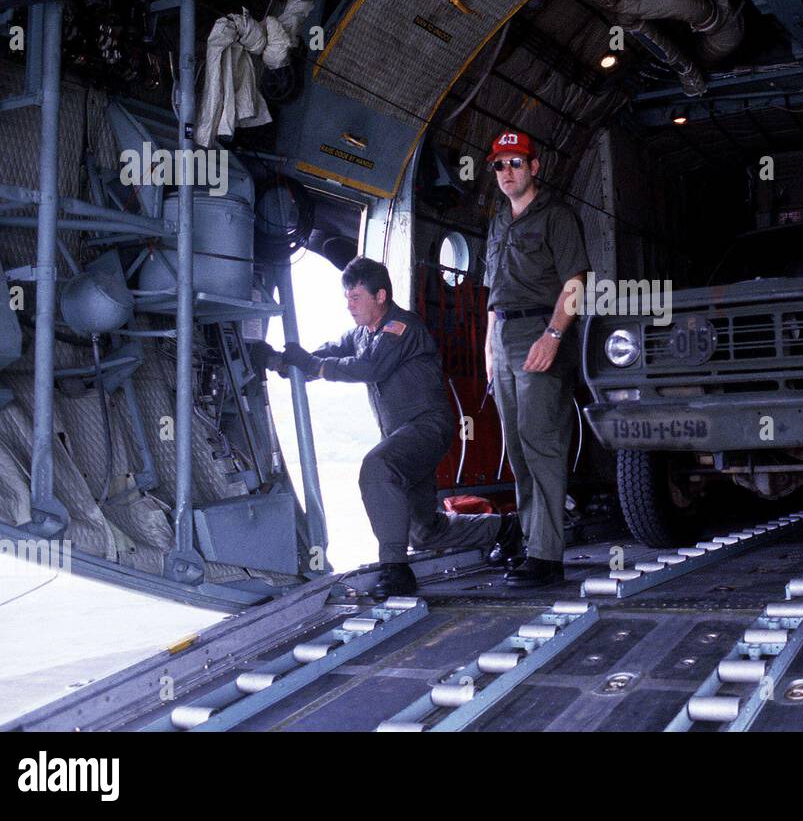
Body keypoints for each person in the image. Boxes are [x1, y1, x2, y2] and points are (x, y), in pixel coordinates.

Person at [251, 256, 522, 598]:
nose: (349, 305)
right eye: (347, 297)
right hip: (404, 438)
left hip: (428, 427)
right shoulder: (361, 334)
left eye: (355, 297)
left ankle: (395, 570)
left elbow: (368, 367)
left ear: (380, 296)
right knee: (425, 532)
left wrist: (314, 364)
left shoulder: (401, 327)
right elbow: (320, 360)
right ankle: (504, 528)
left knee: (376, 468)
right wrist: (278, 359)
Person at [482, 130, 589, 587]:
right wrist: (489, 346)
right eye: (499, 165)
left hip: (539, 330)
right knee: (518, 445)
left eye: (516, 163)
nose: (507, 172)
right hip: (504, 333)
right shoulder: (499, 222)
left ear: (535, 167)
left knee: (541, 439)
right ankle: (532, 545)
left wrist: (551, 336)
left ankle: (547, 556)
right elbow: (492, 292)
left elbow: (576, 284)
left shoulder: (557, 217)